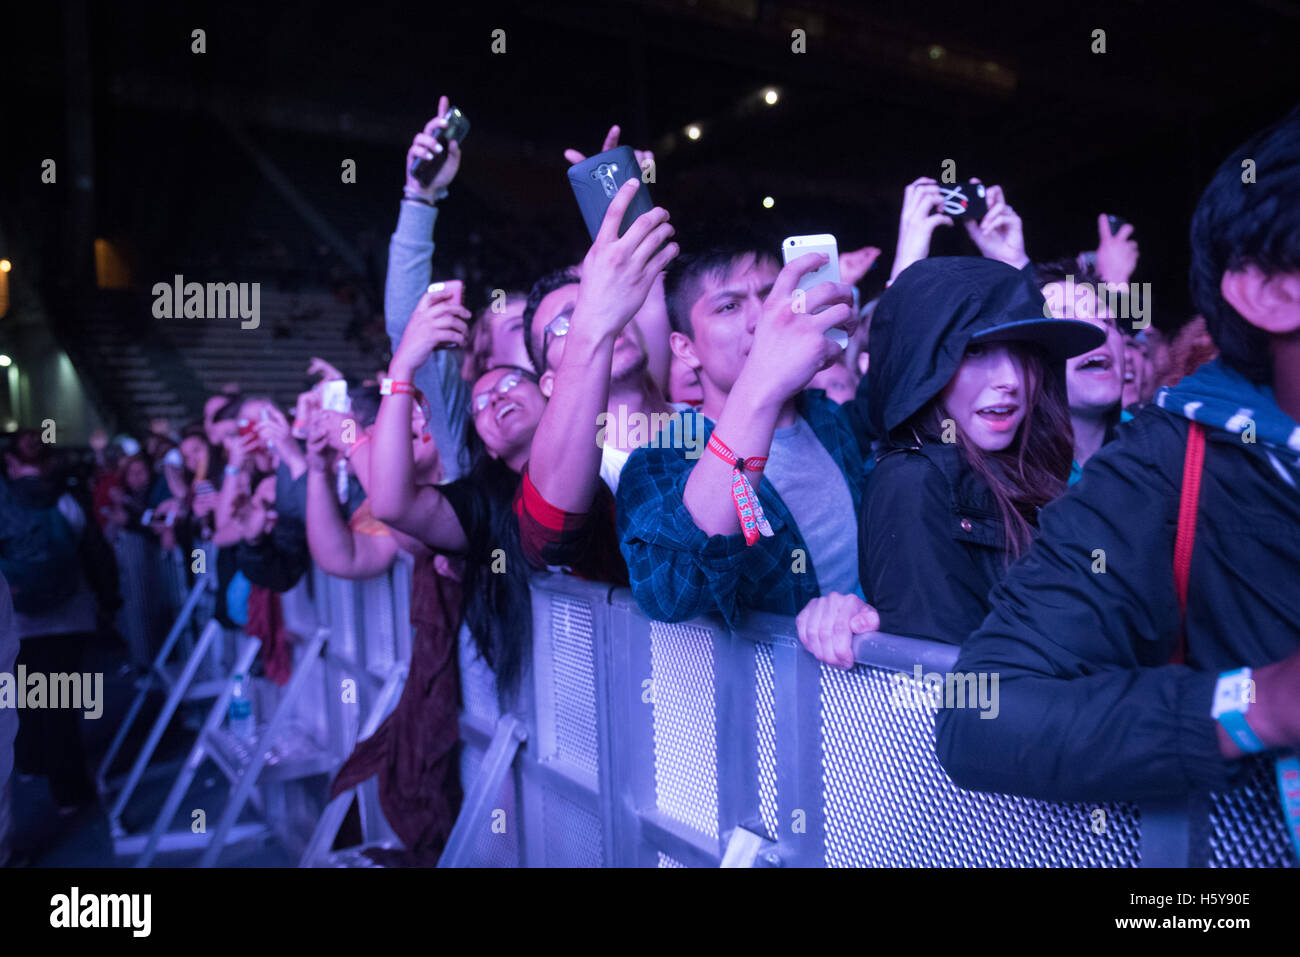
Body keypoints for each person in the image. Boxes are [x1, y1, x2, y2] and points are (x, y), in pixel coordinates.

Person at [933, 110, 1300, 860]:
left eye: (1110, 322)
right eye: (1069, 333)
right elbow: (979, 706)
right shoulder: (1156, 470)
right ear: (1268, 290)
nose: (1104, 339)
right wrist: (1262, 702)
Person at [797, 257, 1099, 660]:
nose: (1009, 379)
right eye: (974, 351)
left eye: (1022, 353)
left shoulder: (1023, 468)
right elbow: (950, 688)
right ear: (922, 368)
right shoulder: (914, 482)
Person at [616, 237, 865, 627]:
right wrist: (761, 386)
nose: (761, 320)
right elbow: (672, 595)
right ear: (686, 349)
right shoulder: (662, 459)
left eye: (770, 297)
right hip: (770, 687)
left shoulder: (829, 418)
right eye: (729, 306)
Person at [512, 176, 679, 584]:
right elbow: (547, 538)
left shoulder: (711, 422)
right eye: (566, 322)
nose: (602, 315)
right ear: (550, 383)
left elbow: (651, 293)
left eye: (600, 300)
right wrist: (592, 317)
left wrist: (618, 192)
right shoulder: (584, 475)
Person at [1035, 259, 1132, 480]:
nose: (1099, 327)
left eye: (1106, 318)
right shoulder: (999, 469)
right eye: (1067, 319)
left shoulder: (1157, 447)